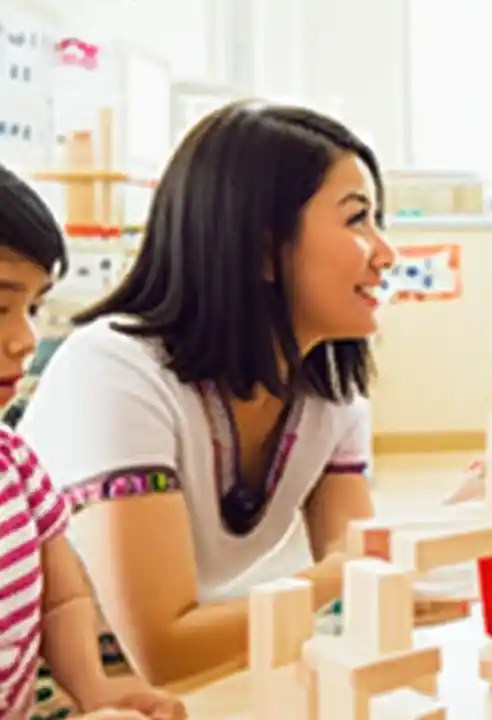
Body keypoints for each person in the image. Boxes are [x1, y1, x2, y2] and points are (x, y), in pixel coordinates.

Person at [16, 101, 465, 688]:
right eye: (357, 220)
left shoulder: (328, 391)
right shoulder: (115, 370)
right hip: (53, 684)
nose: (386, 254)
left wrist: (452, 529)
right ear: (261, 248)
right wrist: (343, 578)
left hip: (172, 680)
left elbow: (357, 578)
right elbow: (164, 650)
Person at [0, 166, 186, 719]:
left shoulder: (16, 463)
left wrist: (93, 688)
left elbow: (63, 596)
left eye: (33, 308)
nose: (26, 339)